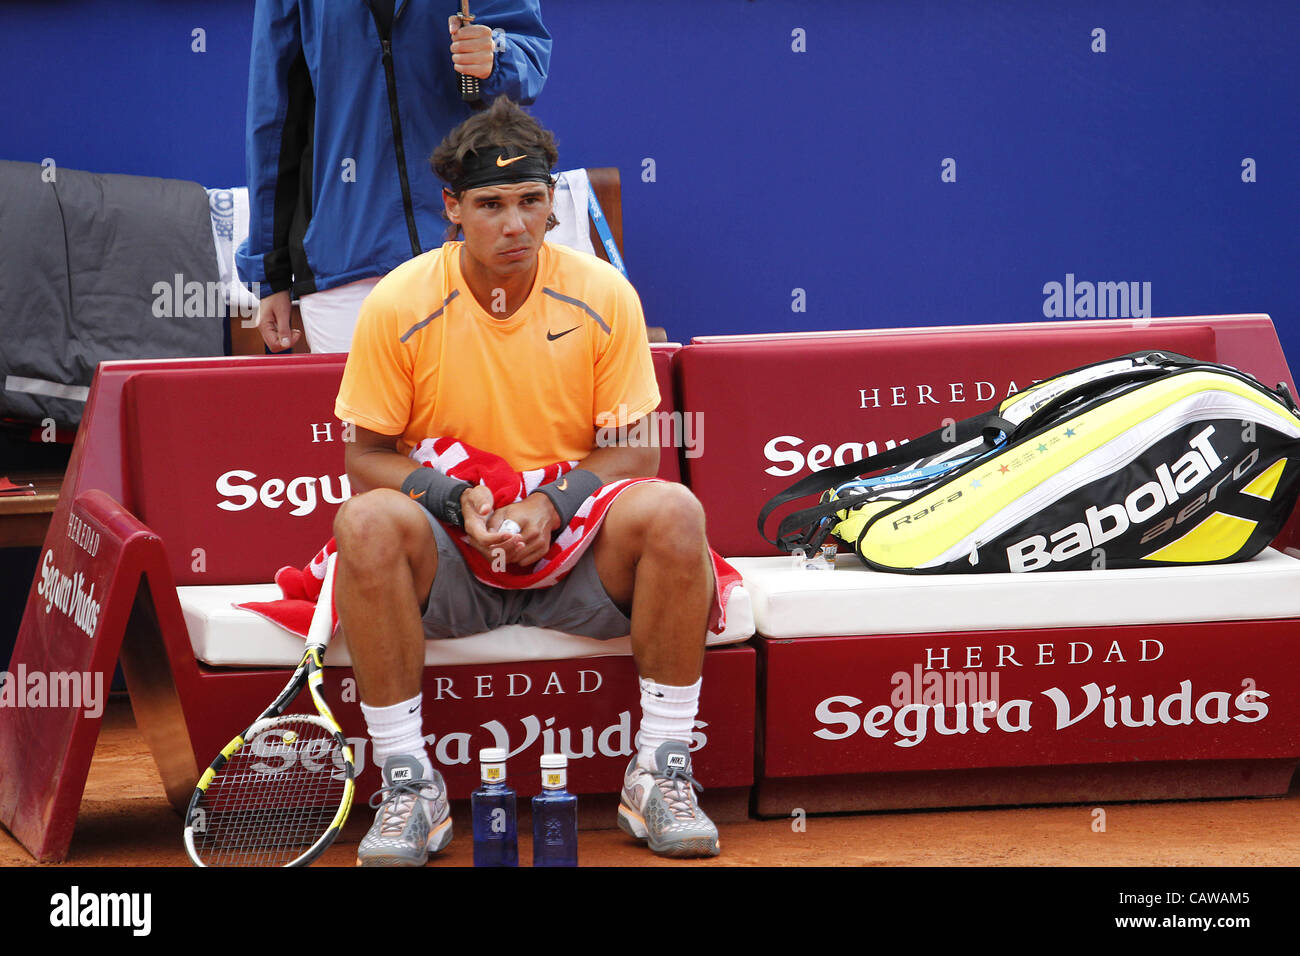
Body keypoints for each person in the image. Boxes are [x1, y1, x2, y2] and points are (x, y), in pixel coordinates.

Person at [332, 97, 722, 863]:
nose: (515, 224)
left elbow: (637, 450)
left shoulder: (604, 293)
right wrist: (453, 497)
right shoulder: (399, 303)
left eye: (531, 202)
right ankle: (411, 783)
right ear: (452, 209)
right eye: (490, 205)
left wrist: (550, 502)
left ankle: (662, 770)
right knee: (367, 521)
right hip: (450, 548)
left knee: (675, 510)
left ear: (551, 204)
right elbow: (365, 457)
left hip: (576, 547)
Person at [236, 1, 551, 354]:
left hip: (468, 251)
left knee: (475, 410)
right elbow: (275, 117)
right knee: (361, 411)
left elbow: (527, 54)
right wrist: (270, 274)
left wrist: (496, 56)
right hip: (344, 260)